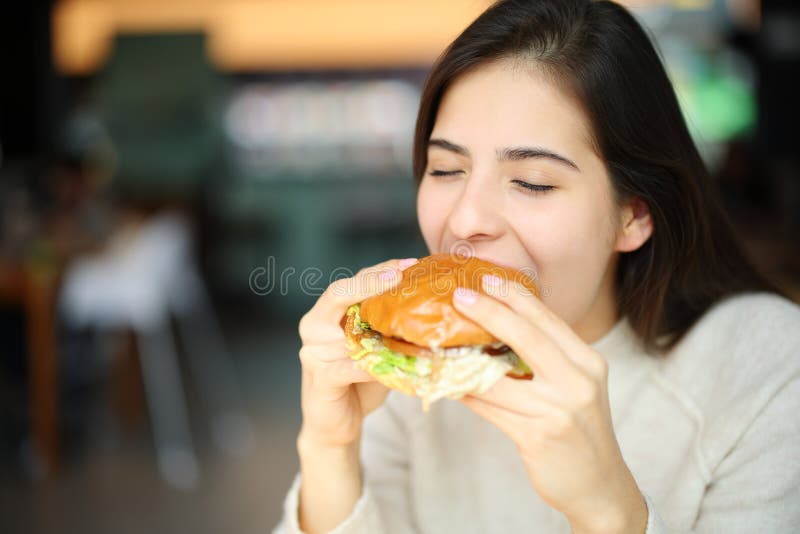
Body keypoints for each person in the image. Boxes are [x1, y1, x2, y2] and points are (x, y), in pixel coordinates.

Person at [274, 1, 800, 532]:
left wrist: (606, 507)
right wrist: (328, 448)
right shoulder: (410, 362)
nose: (466, 219)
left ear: (633, 214)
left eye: (533, 182)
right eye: (445, 168)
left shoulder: (766, 365)